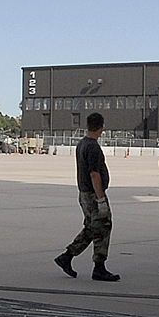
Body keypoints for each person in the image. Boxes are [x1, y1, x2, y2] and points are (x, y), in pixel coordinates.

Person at [55, 112, 119, 282]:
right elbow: (94, 174)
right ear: (102, 127)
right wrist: (101, 199)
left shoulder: (82, 144)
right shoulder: (93, 147)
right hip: (92, 195)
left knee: (91, 228)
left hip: (84, 193)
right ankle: (99, 267)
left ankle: (67, 256)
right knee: (103, 227)